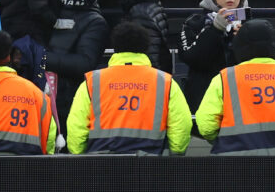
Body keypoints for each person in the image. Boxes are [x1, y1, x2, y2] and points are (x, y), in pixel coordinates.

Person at [195, 19, 275, 155]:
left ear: (239, 46)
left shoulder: (224, 78)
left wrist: (224, 141)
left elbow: (206, 126)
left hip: (233, 165)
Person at [66, 21, 191, 156]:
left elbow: (76, 125)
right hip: (150, 163)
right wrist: (176, 152)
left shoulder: (92, 82)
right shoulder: (165, 82)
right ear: (145, 47)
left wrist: (78, 154)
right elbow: (181, 123)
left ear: (115, 46)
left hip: (100, 165)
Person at [178, 0, 248, 109]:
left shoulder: (251, 24)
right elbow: (191, 57)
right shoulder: (194, 22)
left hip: (241, 101)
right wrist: (215, 29)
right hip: (203, 99)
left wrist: (246, 40)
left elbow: (262, 64)